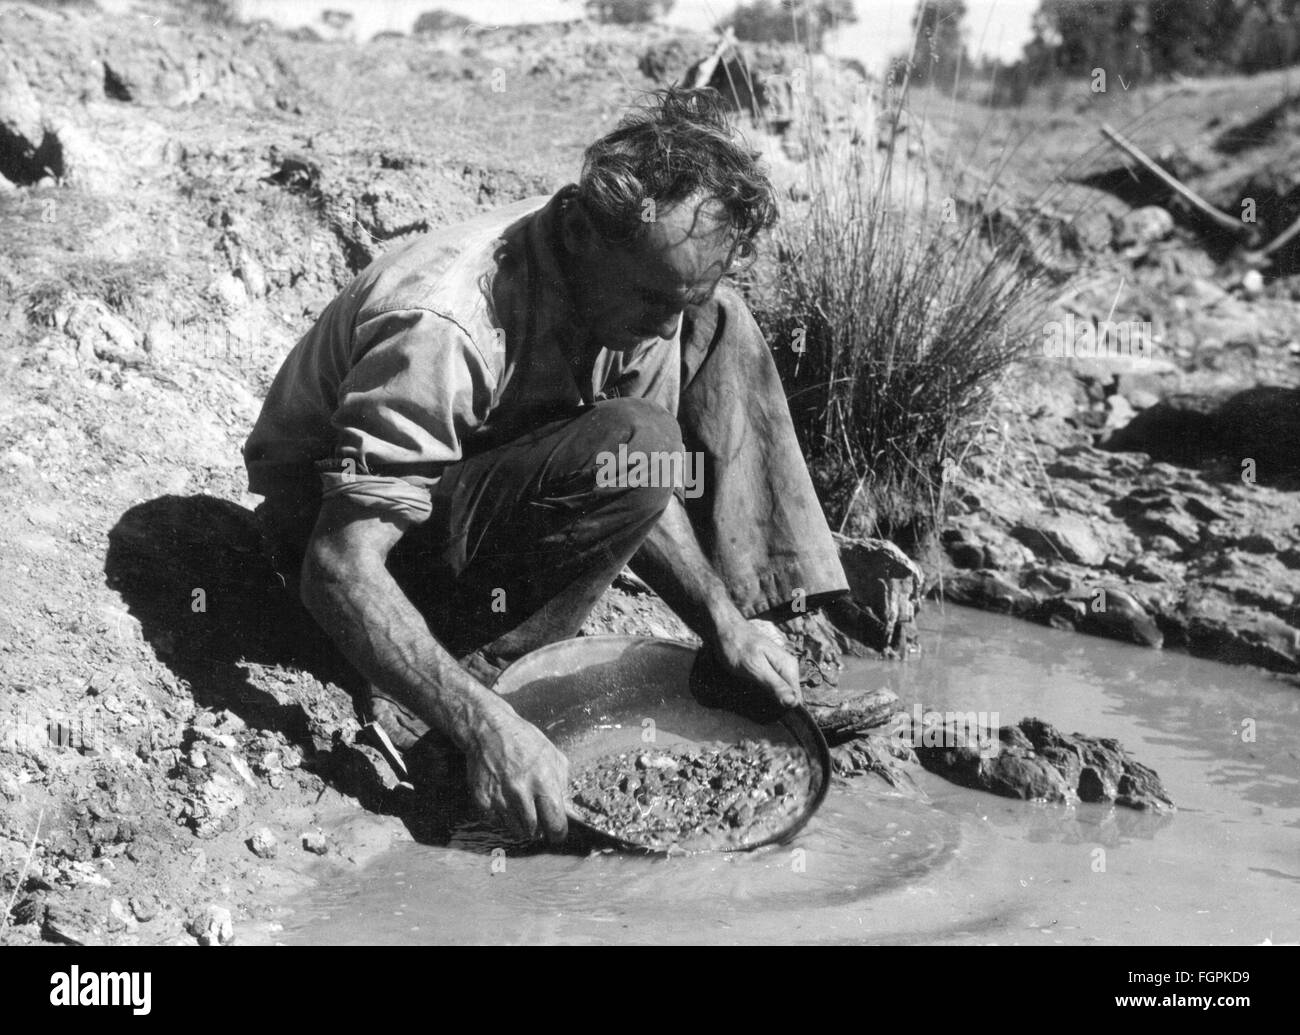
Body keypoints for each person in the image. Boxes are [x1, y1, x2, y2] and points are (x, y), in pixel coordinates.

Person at [243, 88, 851, 846]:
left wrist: (723, 622)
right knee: (640, 439)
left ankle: (728, 652)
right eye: (658, 300)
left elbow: (638, 470)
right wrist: (484, 725)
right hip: (325, 534)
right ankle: (450, 703)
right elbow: (337, 567)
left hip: (467, 484)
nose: (668, 328)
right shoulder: (447, 324)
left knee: (668, 404)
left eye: (683, 301)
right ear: (577, 228)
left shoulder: (630, 283)